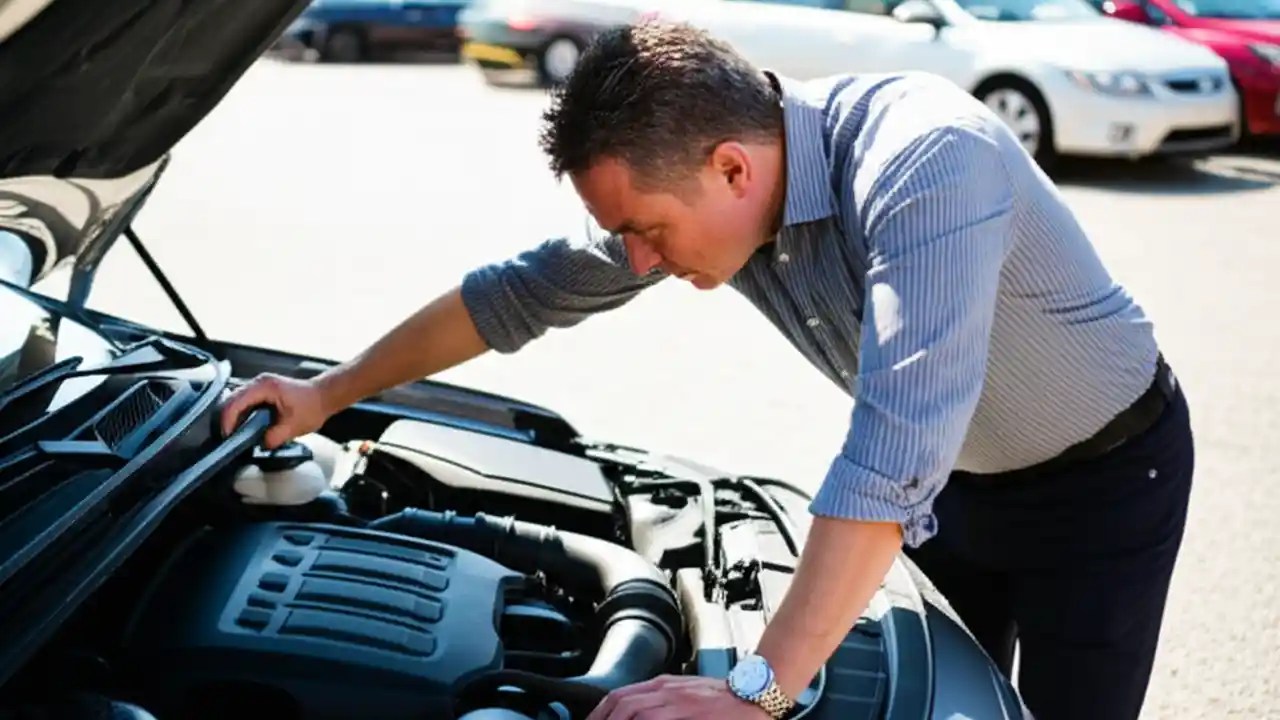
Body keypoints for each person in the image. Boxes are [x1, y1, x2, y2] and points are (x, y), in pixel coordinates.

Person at [219, 21, 1195, 720]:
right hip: (955, 491)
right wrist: (321, 395)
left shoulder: (922, 161)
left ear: (731, 168)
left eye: (644, 231)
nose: (634, 260)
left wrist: (754, 691)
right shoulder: (710, 188)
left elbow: (893, 439)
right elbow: (511, 297)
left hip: (1104, 483)